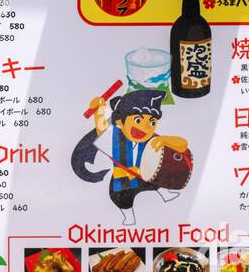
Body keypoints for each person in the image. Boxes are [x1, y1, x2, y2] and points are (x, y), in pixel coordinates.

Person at [70, 88, 190, 225]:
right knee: (120, 198)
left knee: (158, 178)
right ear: (120, 122)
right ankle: (129, 217)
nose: (145, 127)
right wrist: (99, 109)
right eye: (138, 120)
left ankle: (165, 194)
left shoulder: (153, 140)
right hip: (122, 179)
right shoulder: (114, 137)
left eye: (152, 122)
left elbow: (183, 144)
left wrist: (164, 140)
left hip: (145, 175)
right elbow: (101, 125)